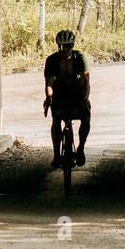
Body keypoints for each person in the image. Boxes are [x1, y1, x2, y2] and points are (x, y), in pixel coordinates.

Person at [43, 28, 91, 168]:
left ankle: (81, 148)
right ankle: (57, 155)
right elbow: (49, 83)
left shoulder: (80, 58)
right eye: (63, 47)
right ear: (58, 46)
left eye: (69, 46)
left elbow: (86, 81)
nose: (66, 50)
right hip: (59, 95)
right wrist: (49, 97)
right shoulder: (51, 60)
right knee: (56, 120)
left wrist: (84, 98)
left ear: (73, 46)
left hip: (77, 94)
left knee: (86, 116)